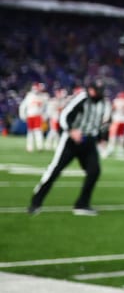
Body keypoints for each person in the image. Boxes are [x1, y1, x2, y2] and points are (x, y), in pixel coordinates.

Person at [29, 80, 112, 216]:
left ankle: (82, 204)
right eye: (95, 90)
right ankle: (36, 202)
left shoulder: (104, 103)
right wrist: (71, 130)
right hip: (71, 141)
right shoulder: (81, 99)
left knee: (94, 171)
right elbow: (64, 116)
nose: (96, 93)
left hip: (89, 141)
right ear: (90, 89)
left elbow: (103, 123)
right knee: (55, 170)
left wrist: (102, 138)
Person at [18, 82, 48, 152]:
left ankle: (39, 146)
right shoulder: (29, 96)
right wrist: (22, 115)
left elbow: (46, 108)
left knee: (37, 131)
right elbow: (23, 106)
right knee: (31, 132)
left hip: (37, 116)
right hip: (31, 116)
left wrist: (45, 116)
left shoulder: (43, 96)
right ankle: (30, 147)